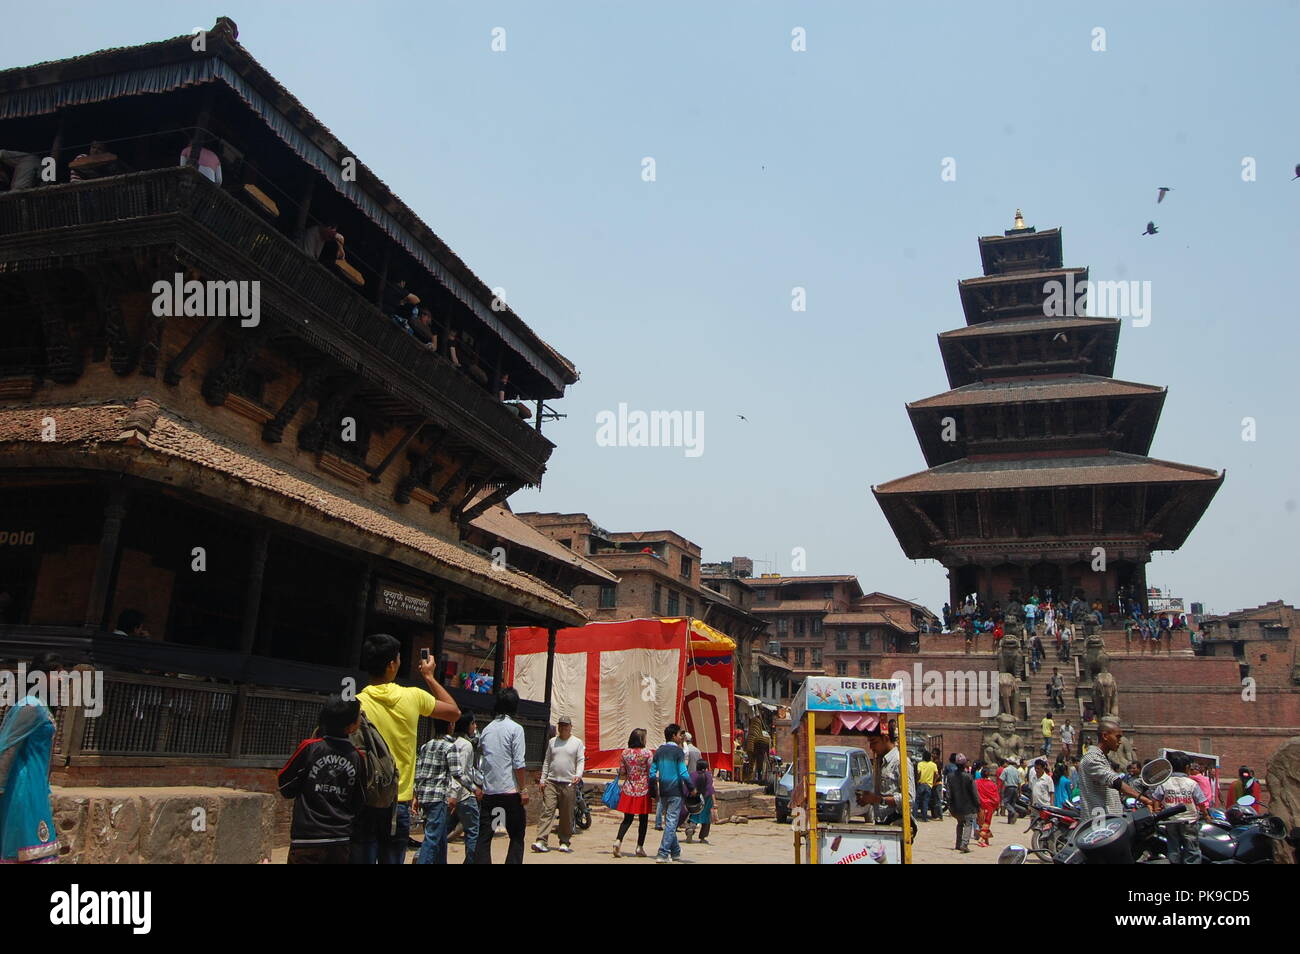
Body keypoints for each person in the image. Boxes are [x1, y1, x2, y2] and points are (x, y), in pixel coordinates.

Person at [354, 634, 459, 864]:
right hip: (398, 800)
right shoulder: (412, 696)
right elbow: (453, 712)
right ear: (392, 664)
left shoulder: (357, 704)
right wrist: (429, 676)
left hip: (366, 801)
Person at [278, 695, 364, 864]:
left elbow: (285, 785)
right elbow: (359, 800)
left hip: (306, 838)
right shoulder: (357, 757)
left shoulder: (310, 748)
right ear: (352, 727)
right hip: (340, 840)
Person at [0, 652, 62, 863]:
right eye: (55, 673)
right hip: (23, 786)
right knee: (28, 844)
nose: (61, 678)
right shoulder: (30, 705)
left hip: (35, 784)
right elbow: (8, 745)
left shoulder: (43, 706)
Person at [475, 687, 530, 864]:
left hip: (490, 794)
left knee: (484, 837)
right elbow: (518, 764)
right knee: (516, 836)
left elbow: (480, 761)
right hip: (510, 793)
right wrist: (523, 789)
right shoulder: (516, 729)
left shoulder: (487, 730)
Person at [414, 719, 472, 864]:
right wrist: (474, 788)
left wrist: (416, 796)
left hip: (424, 798)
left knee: (440, 838)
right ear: (450, 725)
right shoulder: (450, 747)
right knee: (432, 839)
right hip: (438, 798)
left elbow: (418, 773)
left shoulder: (425, 746)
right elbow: (457, 774)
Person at [1077, 718, 1157, 819]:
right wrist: (1144, 799)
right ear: (1105, 736)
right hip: (1098, 823)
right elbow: (1114, 781)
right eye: (1117, 737)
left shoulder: (1104, 758)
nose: (1120, 742)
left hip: (1109, 820)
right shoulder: (1092, 757)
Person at [532, 715, 585, 854]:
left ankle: (564, 841)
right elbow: (547, 761)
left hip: (568, 783)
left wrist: (578, 775)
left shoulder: (577, 743)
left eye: (566, 726)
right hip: (552, 781)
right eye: (561, 725)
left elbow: (580, 761)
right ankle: (541, 840)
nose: (563, 728)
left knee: (566, 813)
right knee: (547, 810)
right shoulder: (552, 742)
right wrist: (543, 779)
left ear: (570, 727)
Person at [854, 722, 915, 836]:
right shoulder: (880, 762)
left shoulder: (901, 762)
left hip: (897, 828)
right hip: (882, 826)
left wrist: (877, 799)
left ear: (886, 738)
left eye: (874, 742)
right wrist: (869, 798)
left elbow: (909, 799)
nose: (871, 747)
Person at [1151, 752, 1209, 864]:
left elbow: (1156, 799)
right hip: (1189, 822)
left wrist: (1157, 810)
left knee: (1173, 848)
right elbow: (1201, 802)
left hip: (1171, 821)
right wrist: (1206, 815)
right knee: (1192, 849)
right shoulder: (1192, 783)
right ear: (1187, 767)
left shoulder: (1164, 783)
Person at [650, 724, 693, 862]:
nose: (682, 737)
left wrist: (653, 789)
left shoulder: (659, 751)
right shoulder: (678, 752)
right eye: (680, 734)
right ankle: (663, 853)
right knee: (671, 822)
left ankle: (675, 851)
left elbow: (652, 773)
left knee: (670, 821)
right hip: (675, 790)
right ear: (674, 736)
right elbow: (683, 772)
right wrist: (692, 788)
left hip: (663, 790)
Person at [613, 728, 654, 858]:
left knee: (627, 819)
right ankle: (639, 847)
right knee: (643, 820)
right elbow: (650, 771)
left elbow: (623, 772)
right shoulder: (647, 753)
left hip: (629, 789)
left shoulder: (625, 753)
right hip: (643, 789)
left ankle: (618, 840)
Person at [448, 712, 482, 863]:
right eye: (473, 723)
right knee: (473, 831)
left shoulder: (452, 743)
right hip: (465, 796)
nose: (475, 726)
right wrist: (474, 788)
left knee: (442, 830)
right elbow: (460, 772)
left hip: (453, 795)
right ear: (467, 726)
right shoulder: (465, 745)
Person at [947, 754, 979, 852]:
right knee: (968, 824)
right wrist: (978, 804)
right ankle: (964, 844)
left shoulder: (950, 776)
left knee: (960, 824)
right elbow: (974, 792)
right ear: (965, 764)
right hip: (968, 806)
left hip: (956, 806)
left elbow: (948, 794)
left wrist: (950, 805)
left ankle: (958, 843)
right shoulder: (968, 777)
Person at [684, 758, 714, 844]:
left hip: (694, 798)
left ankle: (690, 829)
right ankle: (703, 837)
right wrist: (714, 802)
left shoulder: (693, 775)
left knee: (694, 816)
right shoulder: (708, 775)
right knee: (706, 818)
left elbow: (687, 787)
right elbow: (710, 789)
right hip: (707, 799)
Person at [973, 763, 1000, 847]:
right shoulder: (992, 784)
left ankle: (986, 840)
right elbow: (996, 796)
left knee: (981, 822)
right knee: (987, 822)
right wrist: (997, 805)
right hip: (989, 805)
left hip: (980, 805)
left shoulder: (976, 782)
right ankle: (981, 839)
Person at [915, 750, 939, 822]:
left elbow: (918, 773)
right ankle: (924, 818)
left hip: (921, 784)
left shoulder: (920, 764)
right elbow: (937, 775)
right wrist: (933, 781)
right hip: (929, 785)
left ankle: (914, 816)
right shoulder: (933, 765)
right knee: (925, 801)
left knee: (917, 801)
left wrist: (917, 780)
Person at [999, 758, 1022, 824]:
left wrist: (1001, 789)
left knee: (1006, 802)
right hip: (1015, 788)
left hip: (1008, 788)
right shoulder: (1016, 770)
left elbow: (1002, 780)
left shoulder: (1006, 770)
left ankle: (1013, 812)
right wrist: (1019, 792)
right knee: (1012, 804)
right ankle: (1010, 820)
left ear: (1008, 763)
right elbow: (1019, 782)